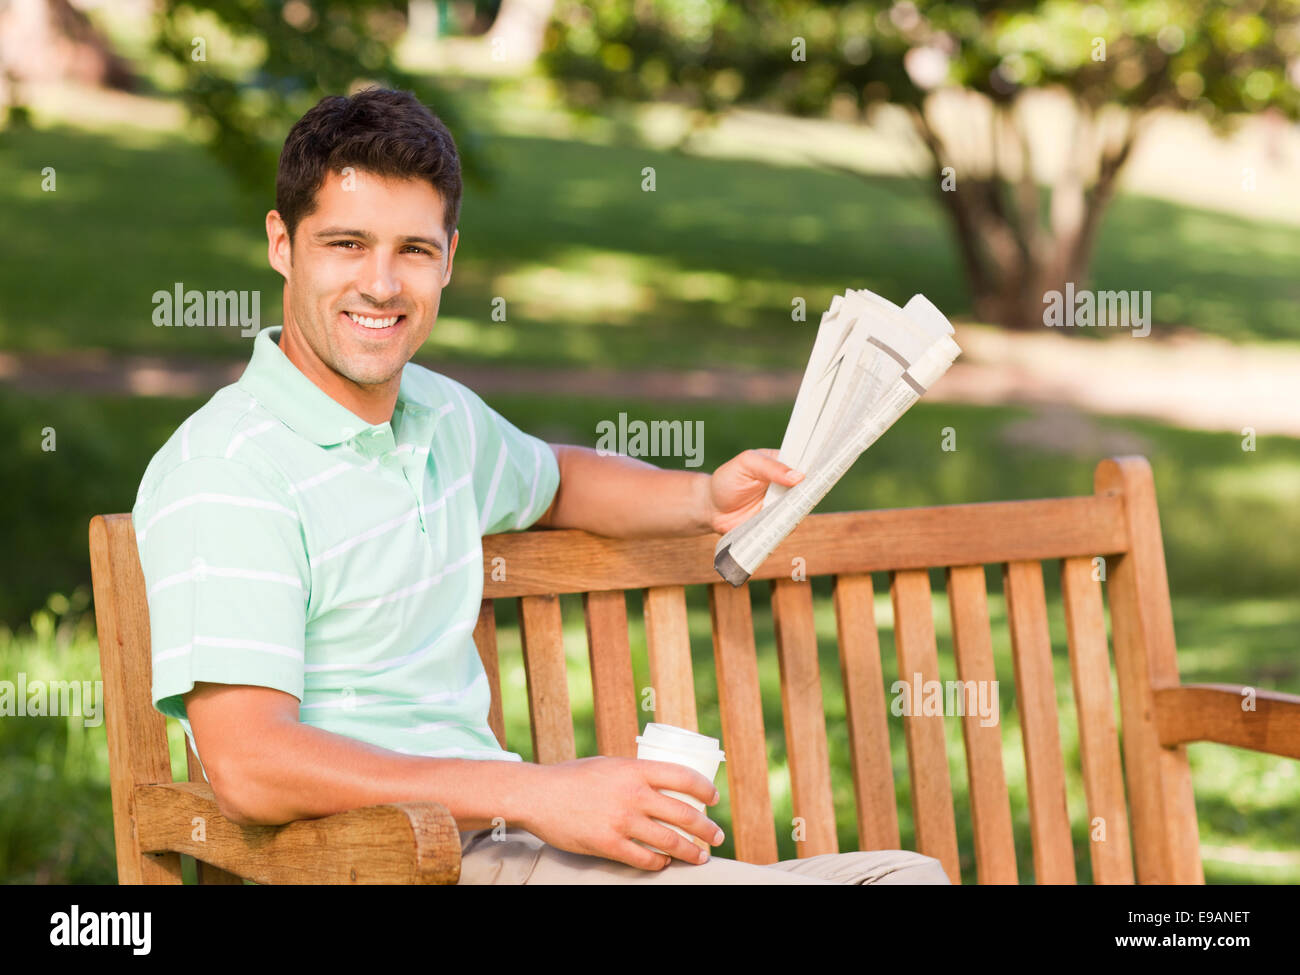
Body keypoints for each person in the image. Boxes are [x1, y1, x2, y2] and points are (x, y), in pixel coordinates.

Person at [132, 87, 950, 886]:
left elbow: (557, 479)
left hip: (509, 843)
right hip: (395, 860)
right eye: (346, 244)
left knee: (908, 873)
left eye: (413, 250)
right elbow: (249, 764)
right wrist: (538, 794)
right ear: (283, 244)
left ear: (449, 259)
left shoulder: (437, 418)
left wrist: (702, 498)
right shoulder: (228, 470)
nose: (381, 284)